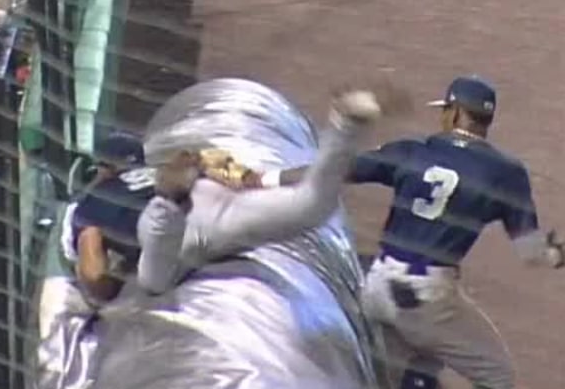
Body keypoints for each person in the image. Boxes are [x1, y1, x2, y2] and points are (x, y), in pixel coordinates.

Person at [345, 76, 565, 389]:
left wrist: (266, 178)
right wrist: (556, 256)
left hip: (378, 286)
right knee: (497, 375)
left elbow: (335, 170)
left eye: (446, 109)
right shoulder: (505, 173)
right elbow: (530, 252)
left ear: (456, 114)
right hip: (427, 298)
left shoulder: (412, 151)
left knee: (421, 357)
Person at [133, 87, 384, 297]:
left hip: (185, 224)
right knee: (311, 206)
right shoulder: (148, 167)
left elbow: (99, 278)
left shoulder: (98, 199)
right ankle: (346, 127)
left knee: (153, 281)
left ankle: (169, 203)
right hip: (210, 197)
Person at [60, 129, 151, 303]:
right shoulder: (162, 174)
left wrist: (104, 296)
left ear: (104, 168)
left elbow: (93, 273)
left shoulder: (93, 201)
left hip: (155, 256)